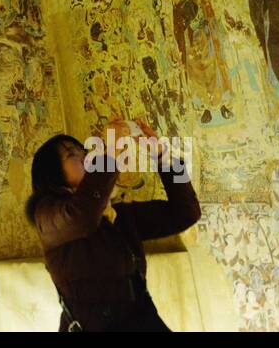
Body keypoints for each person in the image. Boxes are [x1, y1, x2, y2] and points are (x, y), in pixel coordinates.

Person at [26, 127, 201, 331]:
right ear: (53, 175)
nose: (85, 157)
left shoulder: (118, 215)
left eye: (85, 152)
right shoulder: (47, 217)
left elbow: (185, 212)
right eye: (72, 154)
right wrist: (109, 155)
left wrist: (163, 157)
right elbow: (83, 215)